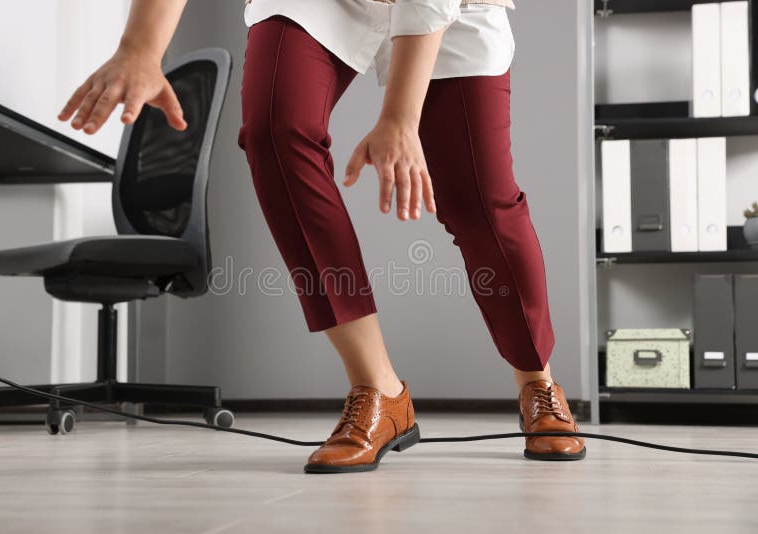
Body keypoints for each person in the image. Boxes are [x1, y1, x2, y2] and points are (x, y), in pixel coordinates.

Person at [59, 0, 585, 474]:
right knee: (275, 131)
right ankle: (379, 390)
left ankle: (538, 383)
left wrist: (400, 118)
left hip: (450, 9)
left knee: (480, 203)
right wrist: (140, 48)